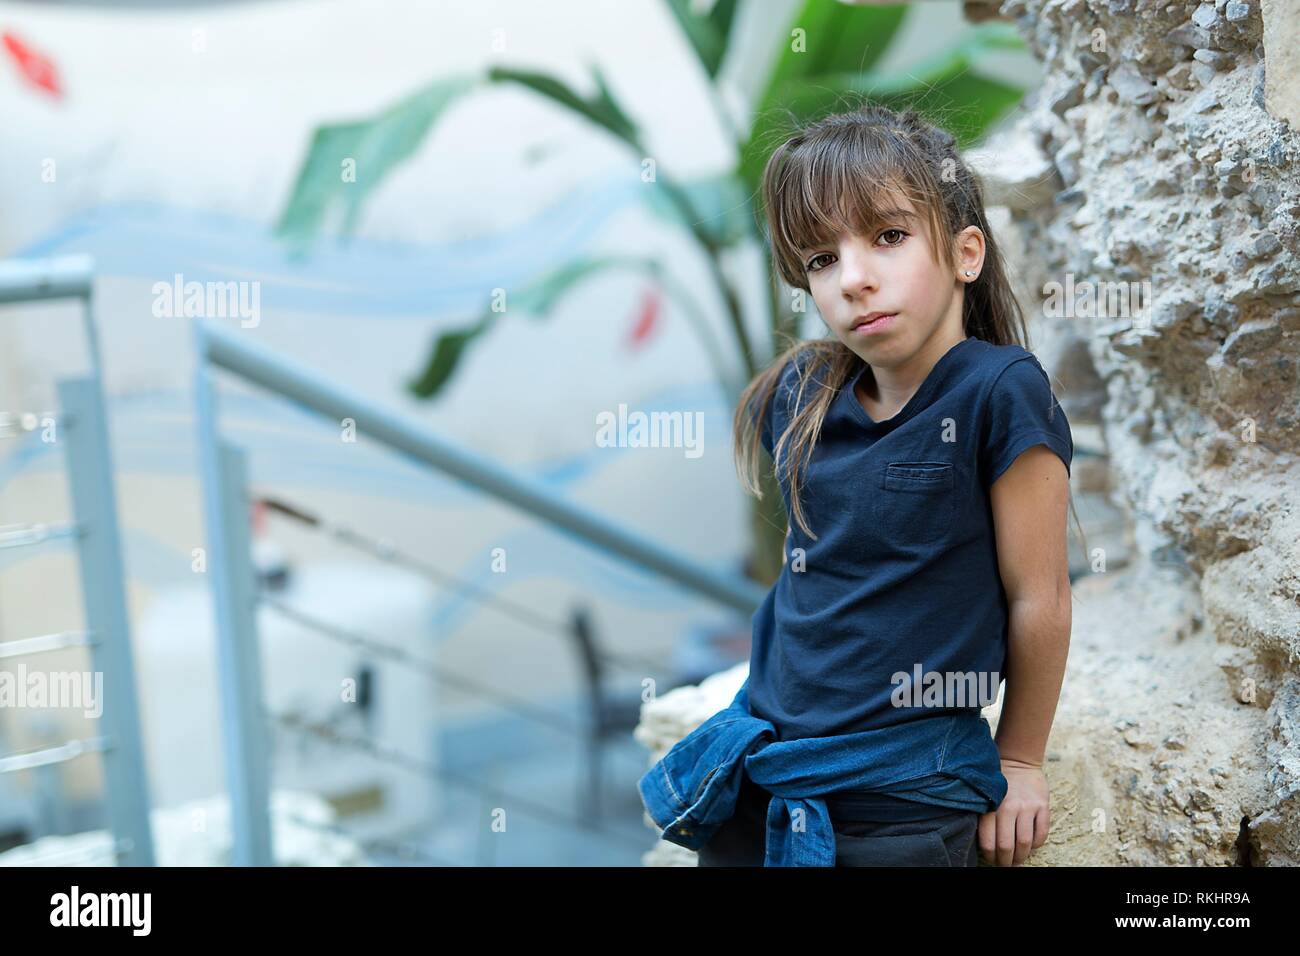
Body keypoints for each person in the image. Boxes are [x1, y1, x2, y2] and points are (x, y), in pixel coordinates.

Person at [710, 105, 1082, 866]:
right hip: (766, 773)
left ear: (965, 253)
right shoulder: (803, 391)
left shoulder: (997, 391)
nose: (853, 279)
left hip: (903, 800)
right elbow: (816, 574)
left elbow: (1040, 597)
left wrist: (1019, 762)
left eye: (887, 236)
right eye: (820, 259)